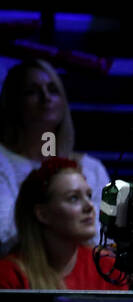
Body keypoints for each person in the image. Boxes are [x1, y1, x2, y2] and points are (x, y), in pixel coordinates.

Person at [0, 59, 111, 254]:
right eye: (32, 91)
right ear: (13, 102)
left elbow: (105, 239)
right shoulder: (3, 163)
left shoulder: (92, 168)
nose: (46, 97)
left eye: (53, 89)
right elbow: (6, 234)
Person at [0, 158, 123, 291]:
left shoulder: (108, 268)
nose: (89, 206)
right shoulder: (9, 275)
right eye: (74, 198)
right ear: (43, 214)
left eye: (89, 195)